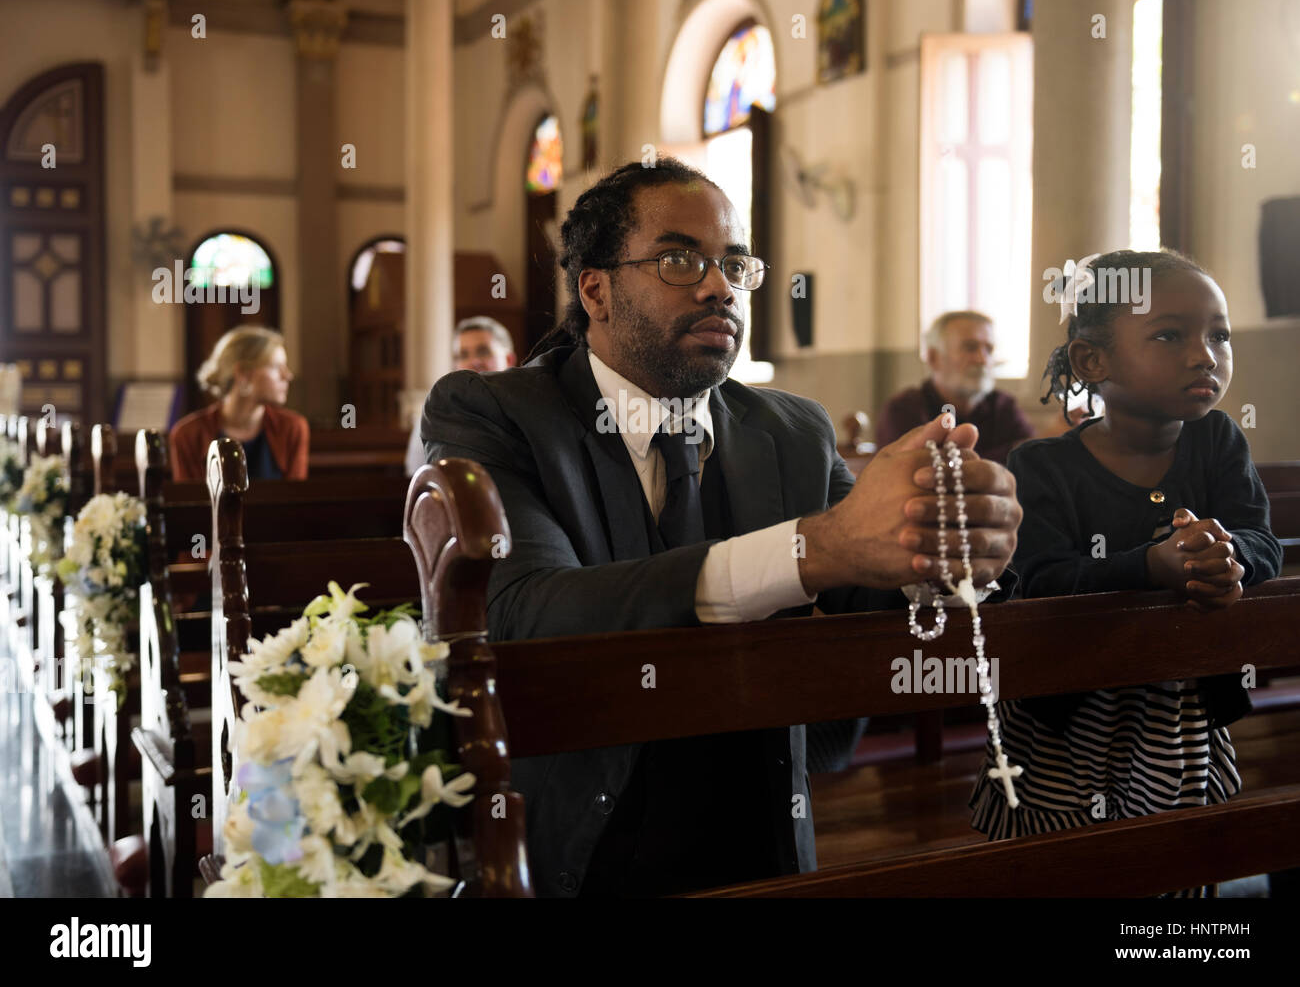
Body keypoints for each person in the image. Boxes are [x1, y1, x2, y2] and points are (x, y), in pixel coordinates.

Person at [421, 158, 1022, 898]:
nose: (719, 286)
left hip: (760, 823)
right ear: (595, 289)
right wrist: (813, 548)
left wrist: (940, 552)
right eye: (680, 259)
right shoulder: (496, 414)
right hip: (578, 839)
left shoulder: (792, 428)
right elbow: (523, 613)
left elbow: (864, 597)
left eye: (735, 263)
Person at [968, 250, 1282, 895]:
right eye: (1170, 334)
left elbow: (1261, 542)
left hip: (1179, 710)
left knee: (1179, 858)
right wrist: (1151, 566)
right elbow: (1041, 579)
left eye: (1218, 335)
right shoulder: (1043, 465)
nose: (1205, 355)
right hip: (1071, 709)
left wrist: (1226, 558)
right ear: (1093, 362)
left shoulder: (1219, 441)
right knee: (1065, 859)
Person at [875, 311, 1036, 464]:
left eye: (989, 349)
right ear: (934, 358)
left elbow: (1029, 462)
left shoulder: (1003, 406)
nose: (982, 359)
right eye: (970, 348)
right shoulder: (904, 410)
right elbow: (913, 471)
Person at [169, 325, 307, 482]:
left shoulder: (293, 428)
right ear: (243, 374)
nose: (287, 375)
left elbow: (294, 500)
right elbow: (189, 503)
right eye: (276, 367)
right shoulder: (188, 434)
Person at [405, 317, 517, 476]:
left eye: (483, 352)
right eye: (463, 355)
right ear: (455, 365)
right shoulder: (435, 412)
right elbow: (418, 474)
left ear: (509, 359)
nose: (474, 362)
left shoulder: (525, 408)